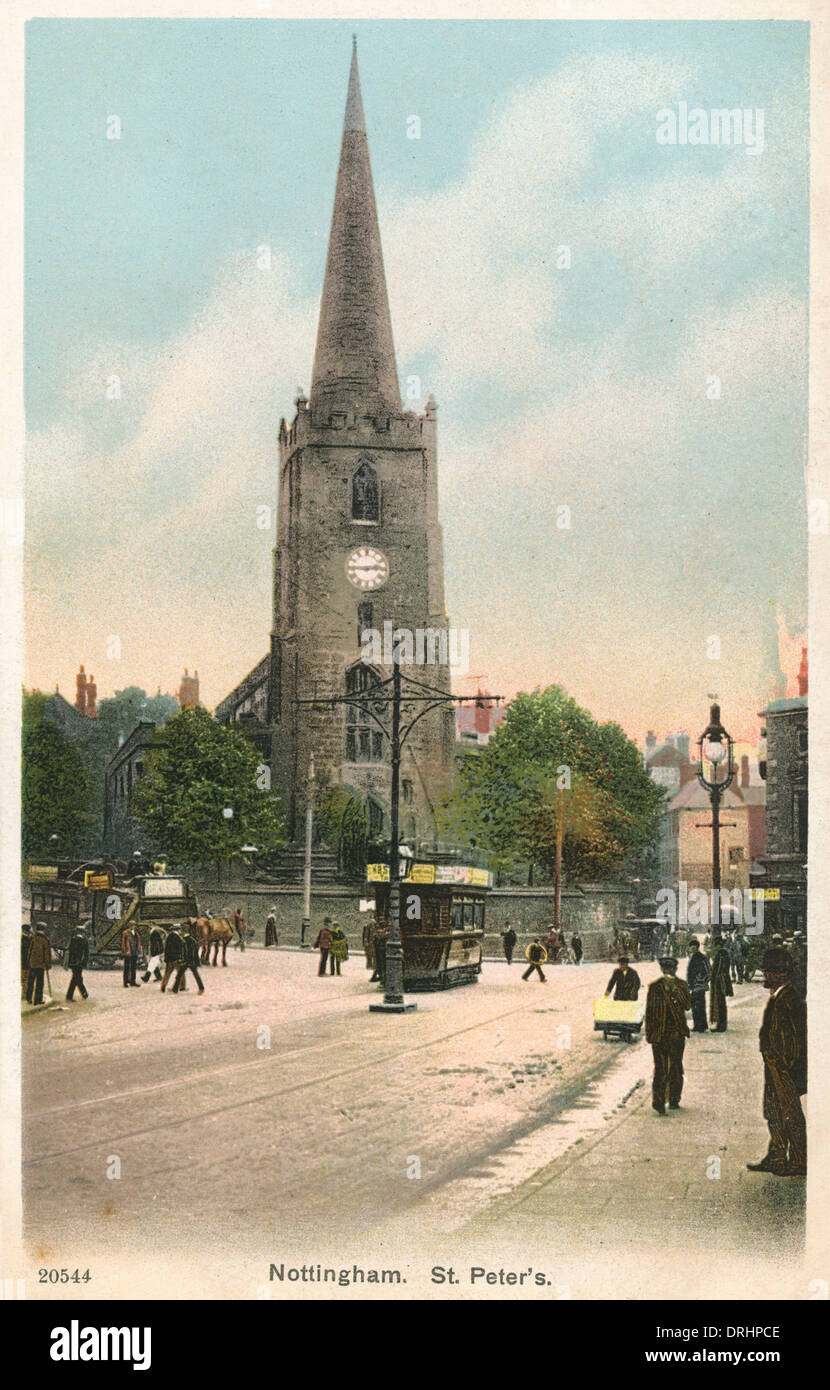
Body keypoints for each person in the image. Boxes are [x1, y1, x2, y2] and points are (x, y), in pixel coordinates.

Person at [747, 948, 807, 1176]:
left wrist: (783, 1065)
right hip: (775, 1067)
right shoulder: (781, 996)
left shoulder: (789, 999)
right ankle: (777, 1156)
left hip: (784, 1069)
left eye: (768, 972)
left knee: (790, 1114)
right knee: (774, 1112)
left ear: (781, 974)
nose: (765, 976)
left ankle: (800, 1161)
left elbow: (794, 1038)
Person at [645, 956, 692, 1114]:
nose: (668, 972)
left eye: (669, 970)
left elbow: (686, 1005)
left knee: (671, 1067)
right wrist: (650, 1034)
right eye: (666, 970)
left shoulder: (679, 985)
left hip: (672, 1034)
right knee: (666, 1067)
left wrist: (674, 992)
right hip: (664, 1034)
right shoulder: (656, 987)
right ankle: (662, 1100)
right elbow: (650, 1012)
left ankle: (670, 1099)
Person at [708, 931, 733, 1032]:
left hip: (720, 982)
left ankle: (721, 1025)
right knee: (720, 1003)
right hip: (721, 981)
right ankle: (721, 1024)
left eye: (716, 945)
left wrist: (713, 978)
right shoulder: (723, 953)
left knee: (720, 1003)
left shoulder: (721, 954)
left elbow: (718, 970)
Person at [685, 938, 711, 1033]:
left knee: (699, 1006)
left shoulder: (701, 957)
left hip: (699, 986)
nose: (691, 948)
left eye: (693, 946)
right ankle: (698, 1025)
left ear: (697, 947)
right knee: (695, 1006)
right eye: (690, 946)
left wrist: (701, 981)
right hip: (693, 986)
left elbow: (708, 971)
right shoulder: (693, 957)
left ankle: (701, 1026)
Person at [173, 928, 205, 995]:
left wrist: (190, 959)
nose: (180, 933)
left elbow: (193, 951)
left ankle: (201, 988)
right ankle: (175, 988)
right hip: (187, 961)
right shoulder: (187, 940)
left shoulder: (189, 940)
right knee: (180, 975)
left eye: (180, 931)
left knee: (195, 975)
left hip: (190, 961)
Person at [26, 922, 52, 1005]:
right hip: (40, 965)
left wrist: (29, 961)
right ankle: (37, 1000)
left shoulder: (33, 938)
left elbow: (29, 951)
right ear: (44, 929)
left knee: (31, 982)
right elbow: (47, 954)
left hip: (32, 964)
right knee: (39, 984)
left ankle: (28, 998)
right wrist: (48, 964)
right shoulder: (45, 940)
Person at [66, 926, 89, 1001]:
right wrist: (85, 963)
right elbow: (86, 954)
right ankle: (83, 994)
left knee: (76, 978)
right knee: (77, 979)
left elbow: (70, 952)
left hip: (73, 963)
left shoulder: (73, 940)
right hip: (80, 963)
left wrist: (69, 963)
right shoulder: (84, 941)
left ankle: (71, 995)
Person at [160, 927, 185, 992]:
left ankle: (163, 986)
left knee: (167, 973)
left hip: (169, 959)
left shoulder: (169, 937)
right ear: (177, 930)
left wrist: (166, 959)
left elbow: (166, 949)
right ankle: (182, 986)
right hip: (176, 959)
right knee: (181, 973)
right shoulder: (177, 937)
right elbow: (180, 949)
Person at [121, 921, 142, 988]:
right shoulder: (125, 933)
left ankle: (133, 982)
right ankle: (125, 982)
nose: (133, 926)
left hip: (134, 952)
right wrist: (125, 951)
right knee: (126, 968)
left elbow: (138, 942)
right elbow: (123, 943)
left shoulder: (136, 933)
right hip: (128, 952)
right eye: (132, 925)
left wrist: (138, 949)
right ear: (129, 925)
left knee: (133, 967)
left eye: (134, 925)